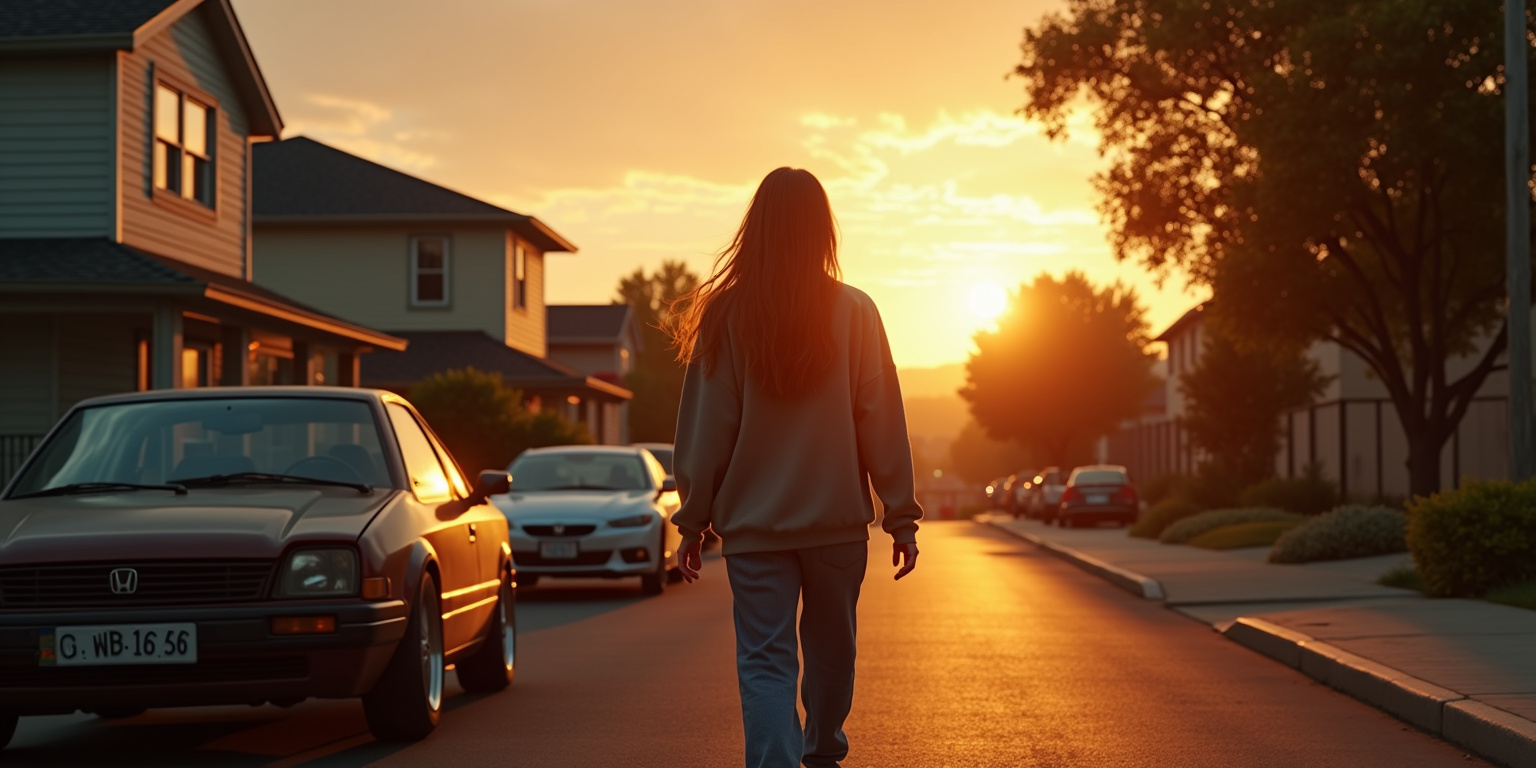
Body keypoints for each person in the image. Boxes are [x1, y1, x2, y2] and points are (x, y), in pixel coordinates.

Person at [670, 167, 923, 768]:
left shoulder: (726, 315)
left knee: (765, 661)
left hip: (755, 532)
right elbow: (881, 420)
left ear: (755, 229)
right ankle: (823, 751)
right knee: (833, 653)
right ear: (822, 230)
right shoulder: (856, 311)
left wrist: (693, 520)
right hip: (836, 529)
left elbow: (707, 431)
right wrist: (901, 517)